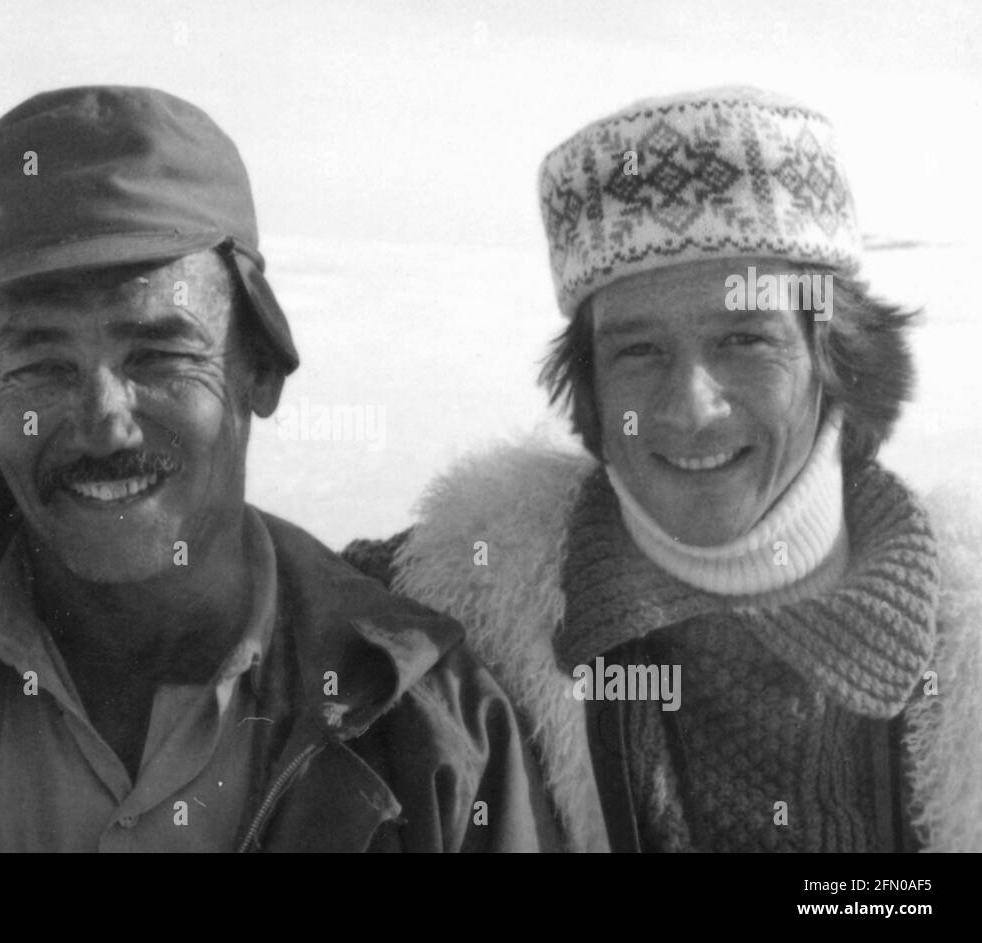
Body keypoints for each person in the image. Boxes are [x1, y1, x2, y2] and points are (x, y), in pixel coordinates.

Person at [0, 86, 552, 853]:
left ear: (259, 366)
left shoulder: (429, 727)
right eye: (41, 365)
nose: (104, 422)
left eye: (160, 352)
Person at [362, 86, 982, 851]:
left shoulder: (965, 644)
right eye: (639, 350)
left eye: (745, 340)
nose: (690, 408)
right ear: (586, 381)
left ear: (833, 356)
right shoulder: (462, 609)